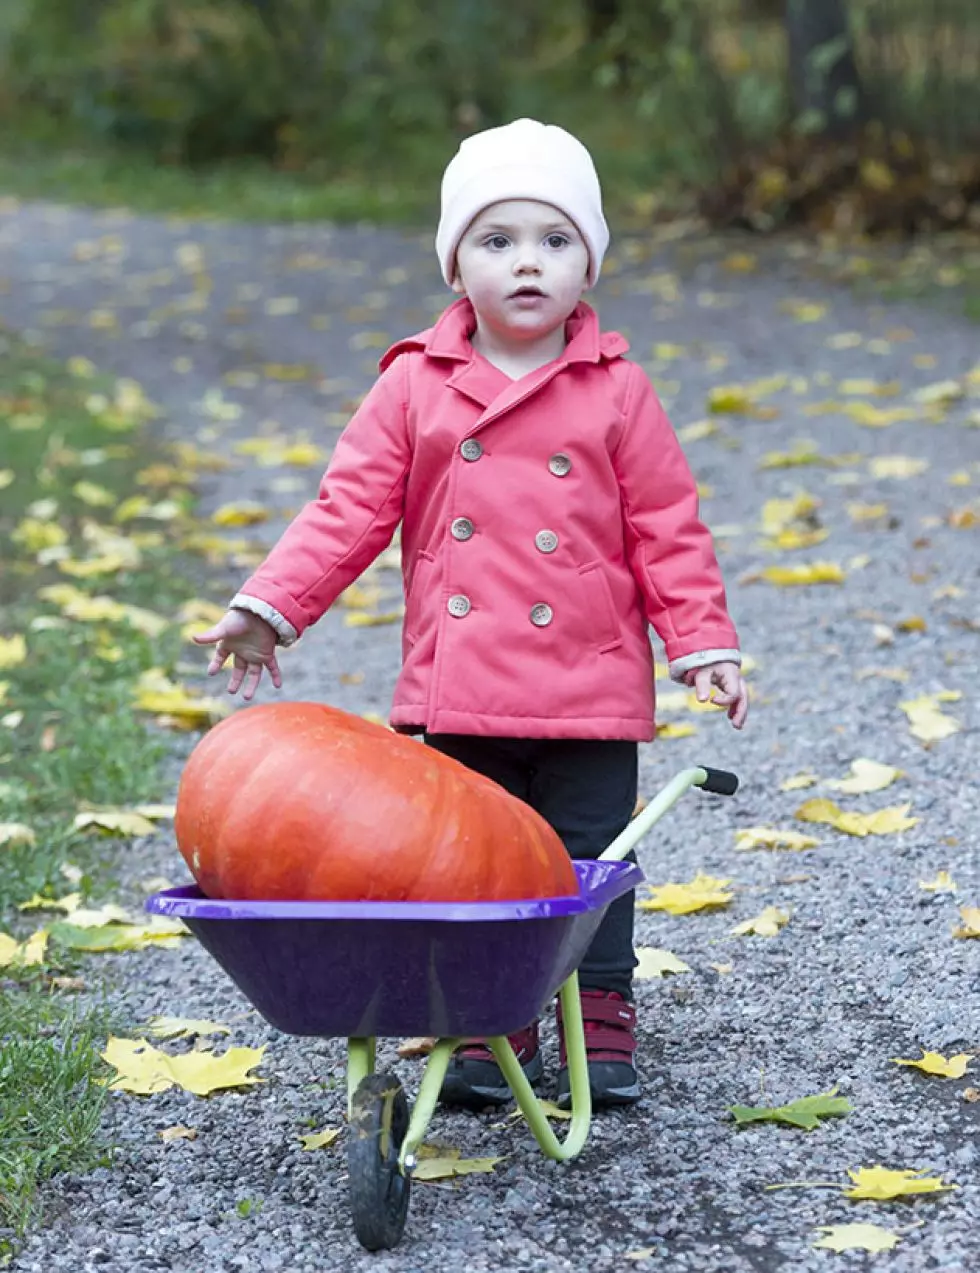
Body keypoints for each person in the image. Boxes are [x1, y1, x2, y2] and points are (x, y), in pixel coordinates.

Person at [194, 118, 748, 1112]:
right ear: (457, 267)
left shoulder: (617, 392)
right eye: (496, 242)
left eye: (553, 240)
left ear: (589, 263)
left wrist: (696, 639)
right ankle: (492, 1016)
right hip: (463, 687)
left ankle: (602, 1002)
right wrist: (270, 607)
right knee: (466, 863)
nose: (526, 263)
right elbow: (349, 508)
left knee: (588, 863)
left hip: (588, 685)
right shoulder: (415, 384)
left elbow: (667, 523)